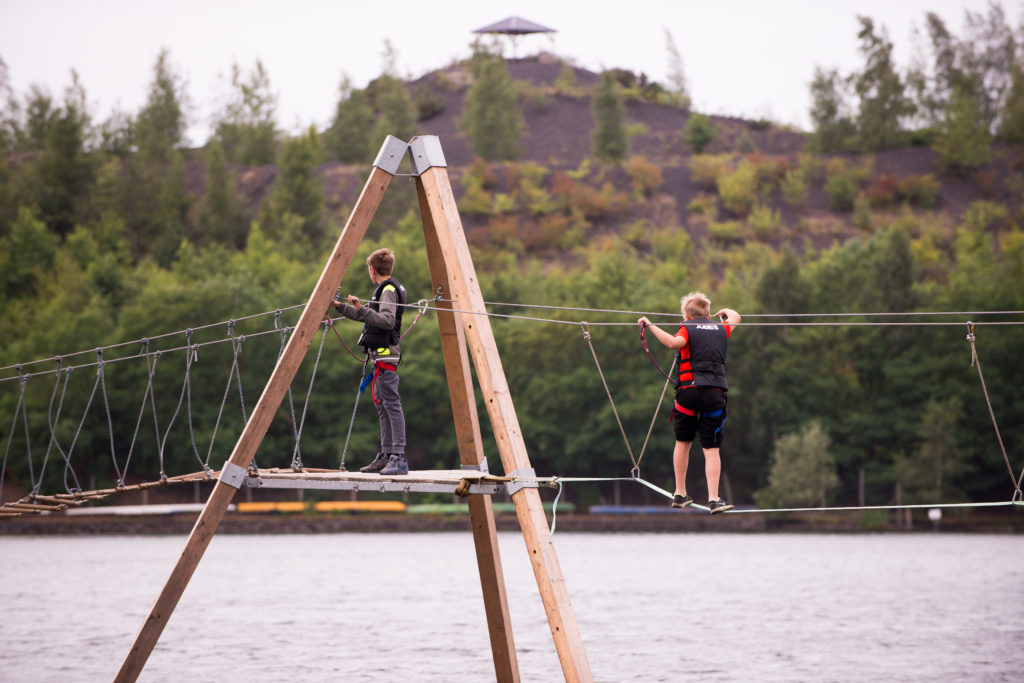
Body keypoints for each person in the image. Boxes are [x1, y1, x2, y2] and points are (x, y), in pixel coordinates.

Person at [638, 292, 740, 513]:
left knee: (683, 442)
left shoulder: (687, 327)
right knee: (711, 449)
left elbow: (675, 343)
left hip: (689, 392)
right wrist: (722, 313)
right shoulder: (721, 328)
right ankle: (714, 499)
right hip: (714, 393)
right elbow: (735, 316)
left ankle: (679, 493)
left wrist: (650, 325)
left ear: (686, 315)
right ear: (708, 314)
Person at [331, 248, 409, 475]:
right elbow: (364, 316)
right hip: (379, 356)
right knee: (382, 405)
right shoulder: (383, 290)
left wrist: (362, 309)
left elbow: (385, 320)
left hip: (386, 354)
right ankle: (386, 454)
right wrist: (341, 307)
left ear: (372, 270)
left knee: (391, 404)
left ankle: (399, 457)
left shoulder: (388, 291)